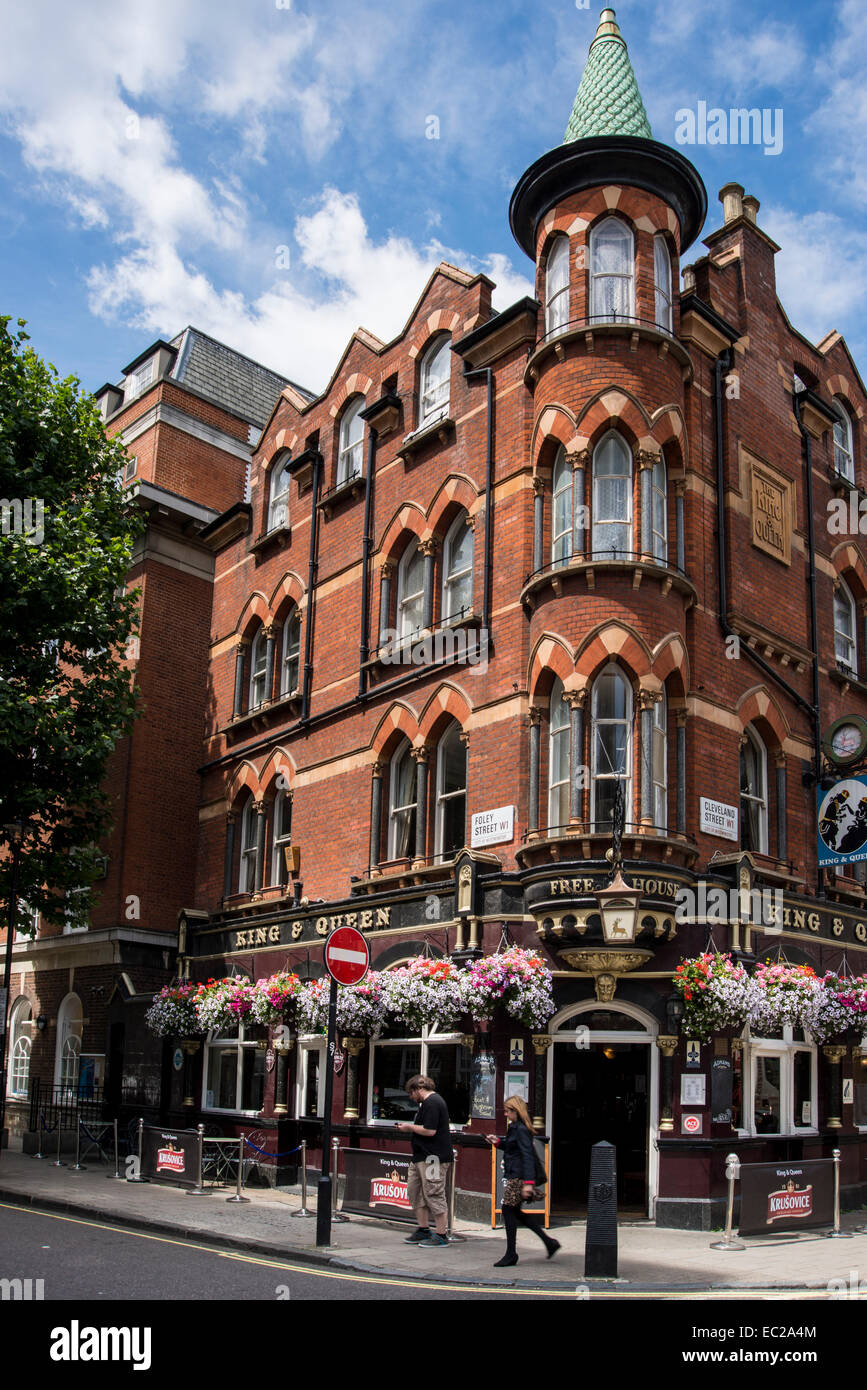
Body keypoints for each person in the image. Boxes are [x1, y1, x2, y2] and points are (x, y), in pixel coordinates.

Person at [485, 1095, 560, 1267]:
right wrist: (496, 1142)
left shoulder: (521, 1129)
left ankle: (512, 1253)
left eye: (507, 1111)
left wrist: (528, 1183)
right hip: (514, 1174)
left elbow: (527, 1155)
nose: (505, 1114)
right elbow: (511, 1147)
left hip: (518, 1177)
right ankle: (549, 1243)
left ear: (515, 1111)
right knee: (514, 1212)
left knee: (508, 1210)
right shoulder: (514, 1128)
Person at [395, 1074, 453, 1248]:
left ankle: (442, 1234)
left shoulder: (434, 1103)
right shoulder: (426, 1104)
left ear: (419, 1089)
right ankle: (423, 1229)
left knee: (434, 1193)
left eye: (411, 1093)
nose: (411, 1097)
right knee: (415, 1192)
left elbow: (430, 1131)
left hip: (433, 1157)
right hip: (420, 1156)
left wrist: (408, 1127)